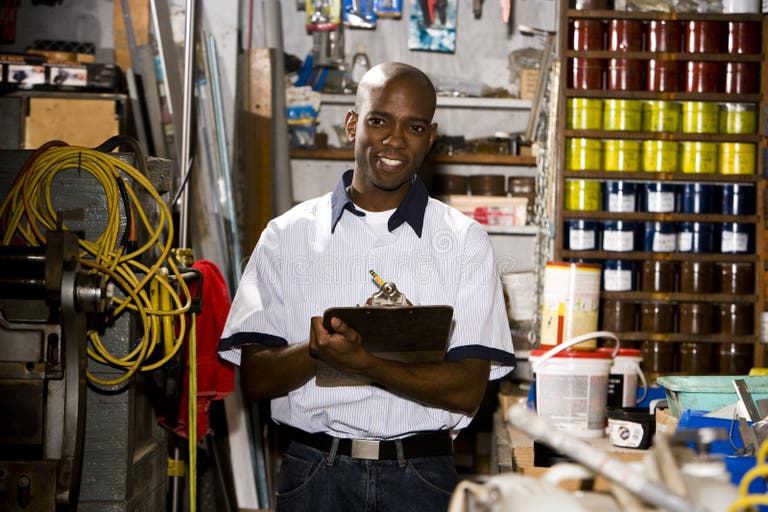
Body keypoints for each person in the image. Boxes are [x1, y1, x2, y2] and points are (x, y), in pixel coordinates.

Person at [218, 61, 515, 512]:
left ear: (430, 138)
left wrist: (366, 364)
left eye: (413, 127)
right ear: (352, 123)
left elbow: (467, 389)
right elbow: (255, 379)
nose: (395, 140)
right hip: (314, 475)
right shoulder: (288, 235)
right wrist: (316, 350)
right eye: (379, 121)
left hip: (420, 479)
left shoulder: (463, 241)